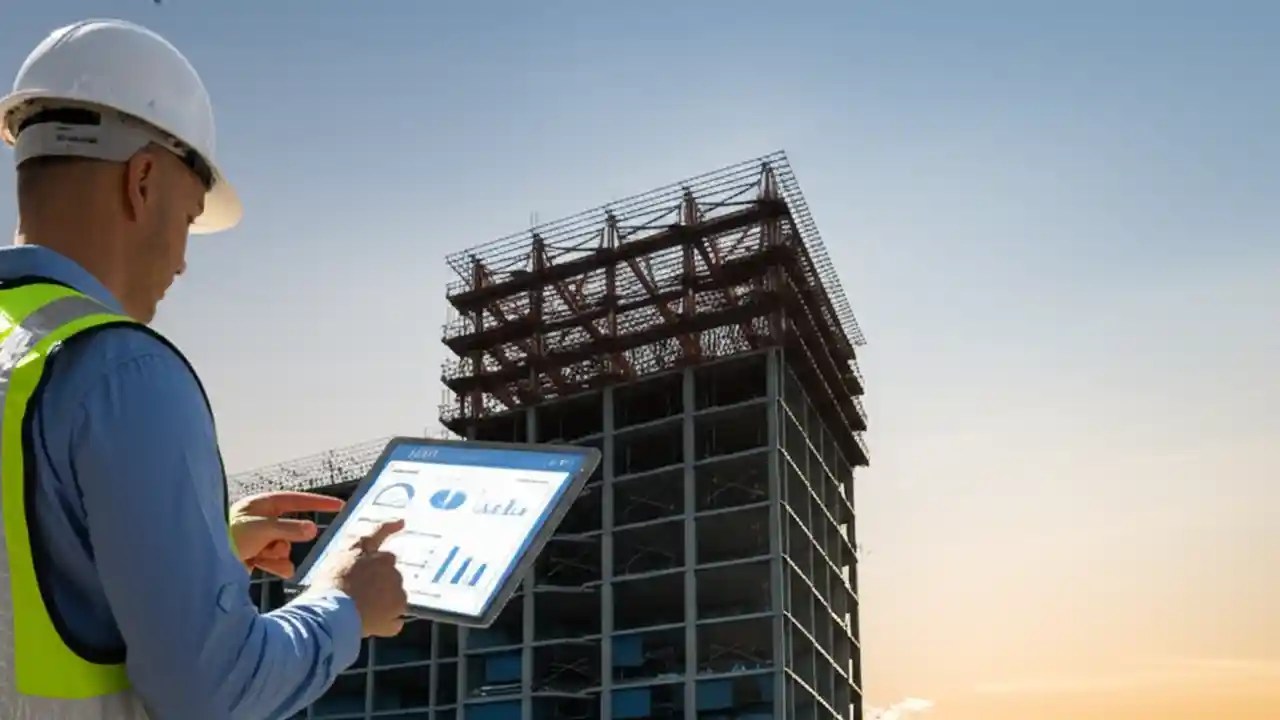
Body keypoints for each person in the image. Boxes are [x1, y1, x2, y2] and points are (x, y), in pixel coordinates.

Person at [0, 18, 408, 719]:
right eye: (188, 220)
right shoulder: (122, 372)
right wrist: (344, 605)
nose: (184, 262)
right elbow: (214, 691)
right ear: (143, 181)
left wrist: (201, 545)